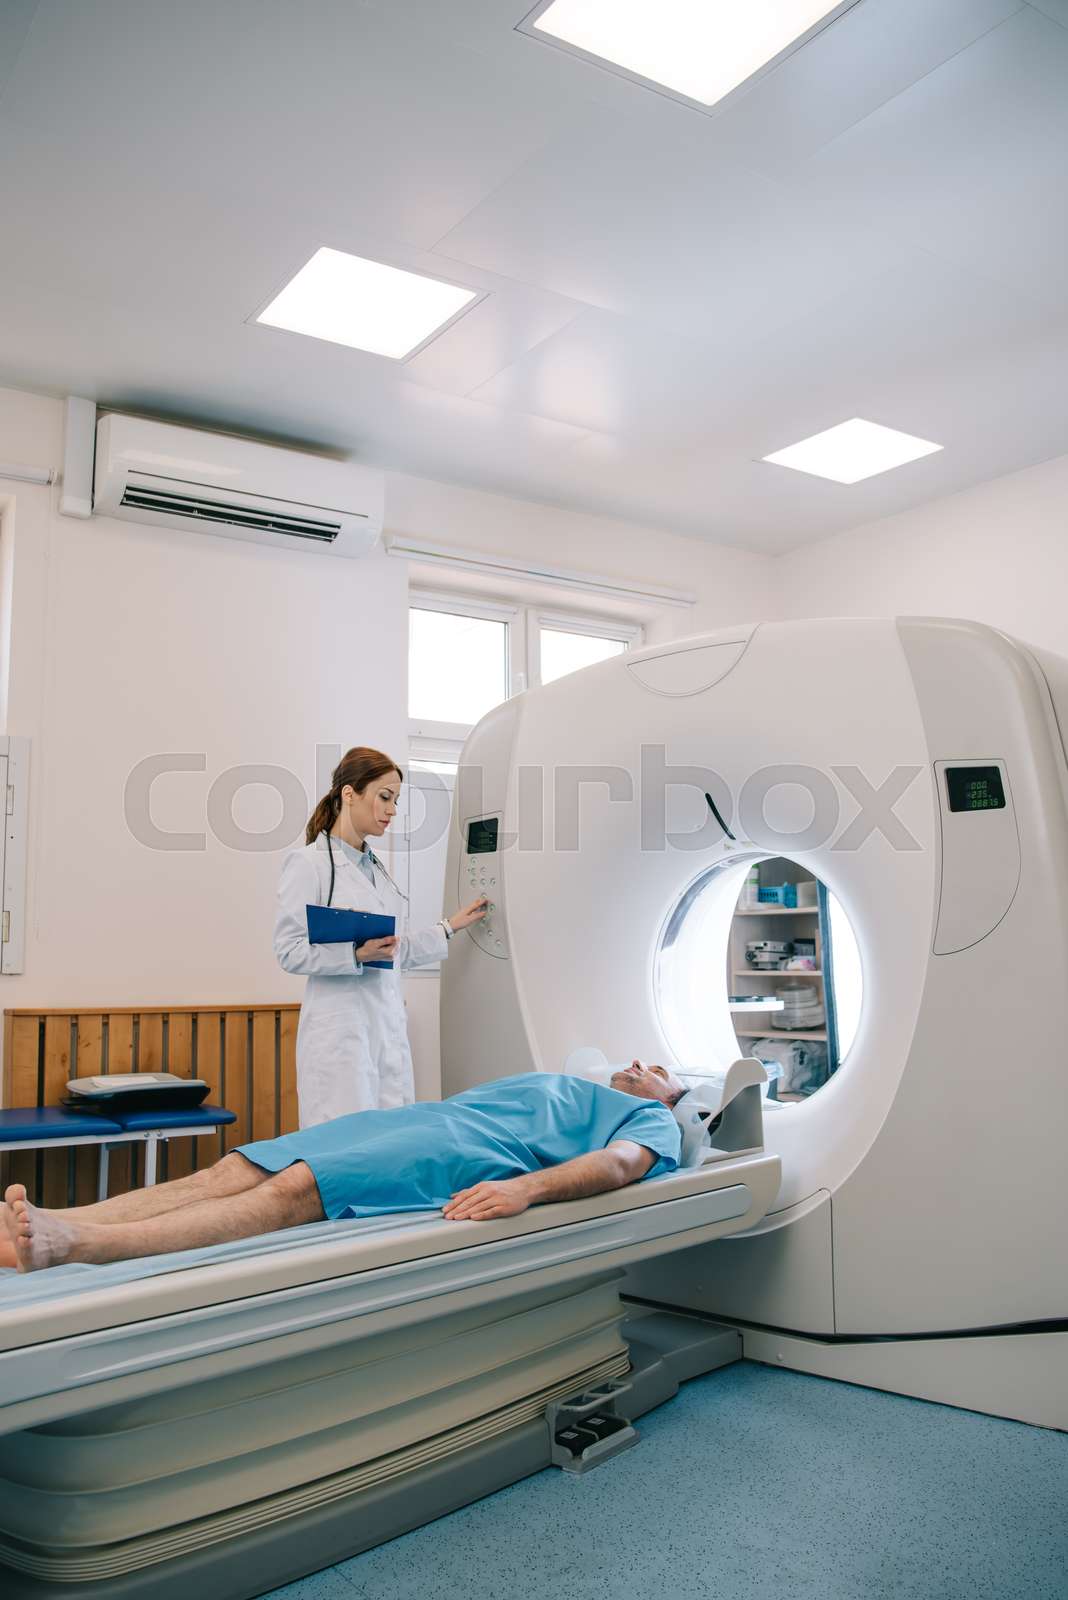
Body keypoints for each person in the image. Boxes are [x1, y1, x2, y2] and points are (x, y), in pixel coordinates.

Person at [1, 1062, 687, 1272]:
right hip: (417, 1118)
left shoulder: (649, 1120)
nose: (636, 1066)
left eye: (654, 1069)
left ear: (672, 1096)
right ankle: (50, 1222)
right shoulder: (565, 1076)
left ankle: (80, 1245)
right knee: (235, 1168)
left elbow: (623, 1167)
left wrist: (524, 1190)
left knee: (298, 1188)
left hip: (457, 1150)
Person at [276, 747, 487, 1127]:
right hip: (340, 1035)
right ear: (349, 794)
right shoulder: (310, 864)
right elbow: (289, 951)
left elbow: (392, 950)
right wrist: (354, 954)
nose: (391, 811)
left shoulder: (376, 869)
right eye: (384, 797)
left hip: (384, 1027)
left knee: (389, 1141)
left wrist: (449, 927)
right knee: (344, 1145)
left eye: (396, 801)